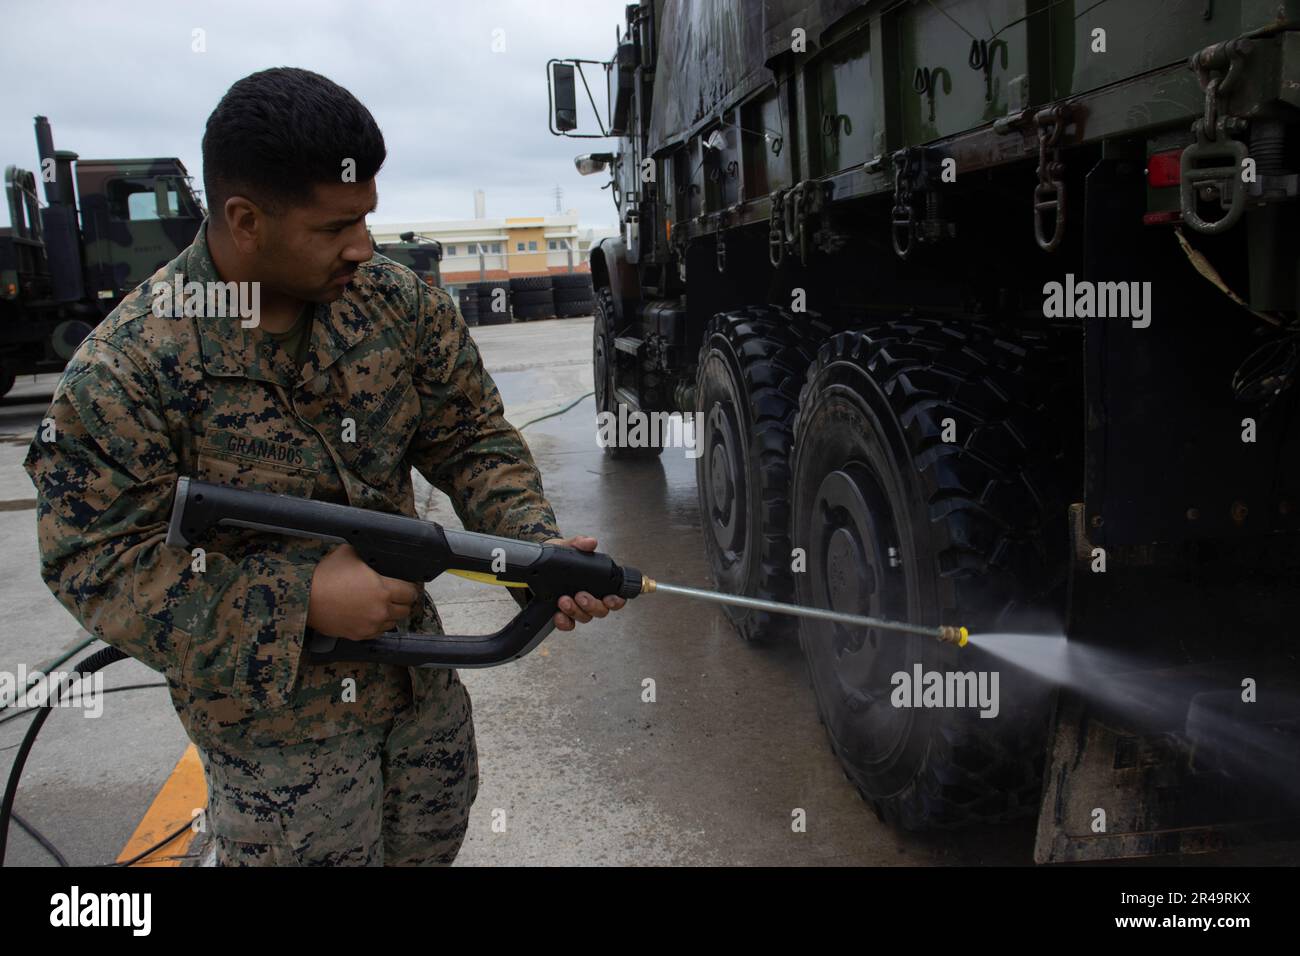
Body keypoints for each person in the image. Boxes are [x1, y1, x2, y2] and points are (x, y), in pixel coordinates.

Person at [22, 66, 624, 866]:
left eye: (368, 219)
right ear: (245, 220)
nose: (362, 247)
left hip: (420, 706)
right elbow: (91, 560)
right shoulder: (128, 370)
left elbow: (472, 438)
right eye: (335, 227)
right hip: (278, 754)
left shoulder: (395, 306)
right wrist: (295, 600)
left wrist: (531, 551)